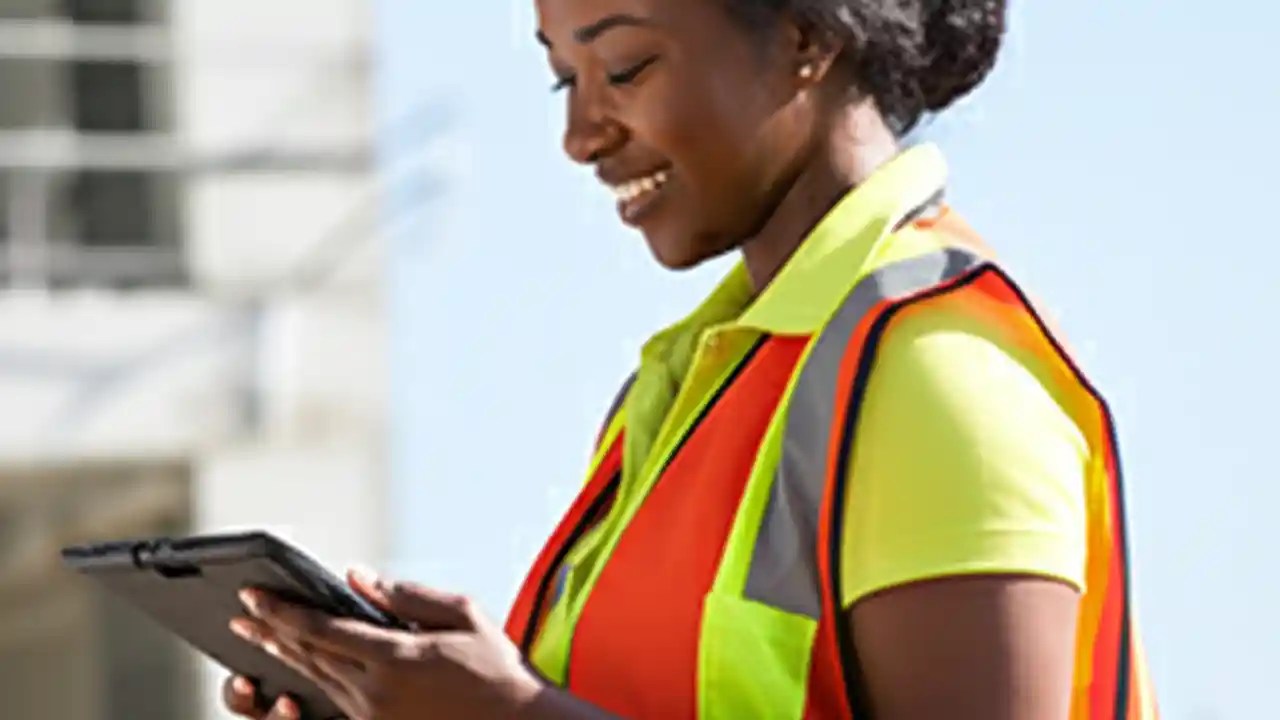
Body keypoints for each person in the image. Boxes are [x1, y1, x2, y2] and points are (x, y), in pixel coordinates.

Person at [222, 0, 1159, 718]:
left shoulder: (938, 373)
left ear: (805, 37)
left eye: (624, 68)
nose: (580, 135)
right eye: (565, 80)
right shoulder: (682, 396)